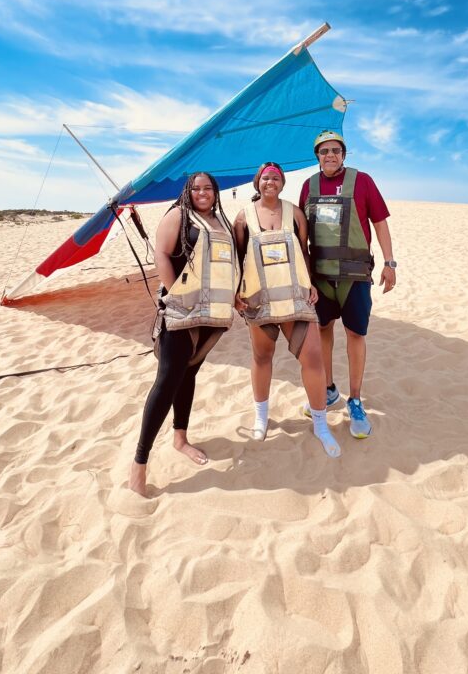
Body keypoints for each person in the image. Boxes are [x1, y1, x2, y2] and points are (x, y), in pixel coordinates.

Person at [129, 172, 238, 497]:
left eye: (208, 188)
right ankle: (139, 464)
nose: (202, 192)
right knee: (166, 381)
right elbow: (162, 253)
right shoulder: (178, 214)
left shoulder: (220, 220)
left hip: (211, 312)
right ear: (187, 192)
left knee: (189, 372)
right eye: (196, 188)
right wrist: (176, 292)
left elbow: (225, 264)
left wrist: (234, 296)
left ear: (215, 192)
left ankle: (180, 439)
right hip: (181, 308)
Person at [234, 162, 341, 458]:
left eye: (276, 178)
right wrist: (236, 293)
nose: (271, 182)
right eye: (266, 178)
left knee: (313, 358)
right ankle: (261, 416)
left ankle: (320, 424)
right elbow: (238, 257)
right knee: (261, 357)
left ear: (282, 183)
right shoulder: (244, 216)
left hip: (295, 297)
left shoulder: (294, 213)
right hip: (260, 299)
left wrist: (311, 283)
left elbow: (303, 250)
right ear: (258, 182)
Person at [300, 131, 396, 439]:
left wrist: (389, 263)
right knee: (323, 331)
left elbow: (380, 223)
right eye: (324, 151)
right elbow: (301, 233)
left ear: (344, 154)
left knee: (356, 334)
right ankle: (328, 390)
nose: (330, 155)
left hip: (355, 277)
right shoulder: (308, 186)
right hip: (321, 278)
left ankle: (355, 400)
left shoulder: (363, 181)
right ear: (317, 156)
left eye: (336, 151)